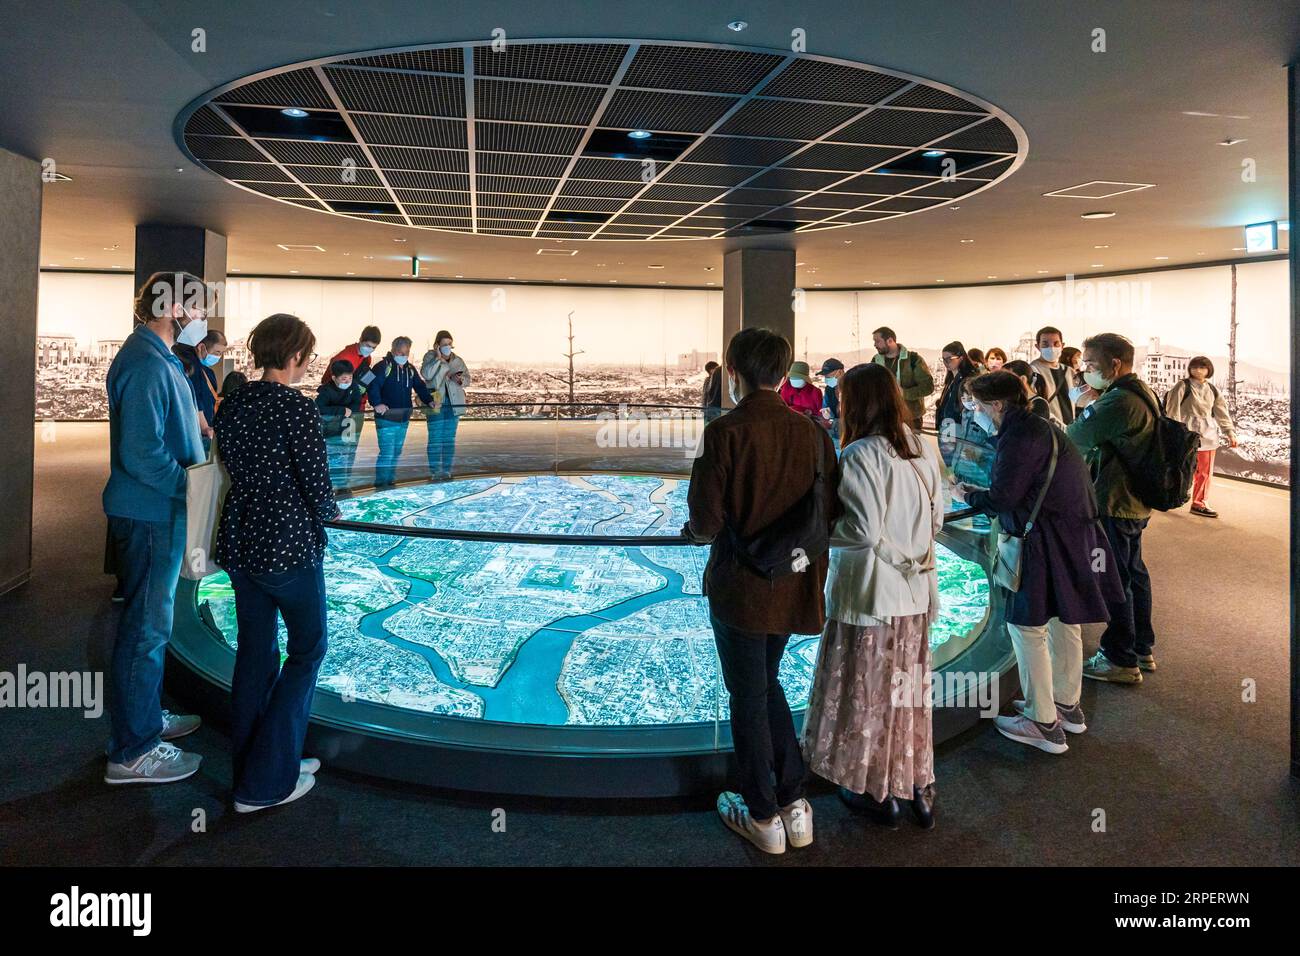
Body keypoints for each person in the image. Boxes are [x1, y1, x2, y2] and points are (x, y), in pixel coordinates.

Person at [684, 327, 839, 855]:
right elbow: (830, 510)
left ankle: (763, 814)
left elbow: (705, 522)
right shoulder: (814, 433)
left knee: (748, 695)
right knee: (766, 684)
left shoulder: (723, 432)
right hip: (795, 585)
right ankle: (795, 802)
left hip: (741, 590)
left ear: (733, 373)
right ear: (783, 372)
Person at [802, 362, 944, 829]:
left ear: (857, 402)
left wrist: (816, 533)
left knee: (867, 693)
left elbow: (861, 531)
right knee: (907, 695)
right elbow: (937, 520)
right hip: (915, 595)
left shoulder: (861, 452)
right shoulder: (920, 447)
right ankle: (915, 783)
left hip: (871, 597)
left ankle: (875, 790)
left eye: (843, 397)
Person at [956, 371, 1121, 754]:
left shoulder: (1018, 436)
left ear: (997, 405)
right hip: (1073, 535)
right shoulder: (1040, 428)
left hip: (1042, 542)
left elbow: (1004, 498)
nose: (974, 411)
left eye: (977, 404)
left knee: (1026, 626)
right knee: (1066, 620)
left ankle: (1041, 721)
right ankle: (1066, 705)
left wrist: (969, 496)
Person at [214, 313, 338, 812]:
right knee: (307, 652)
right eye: (307, 357)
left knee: (255, 654)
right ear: (294, 358)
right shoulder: (295, 408)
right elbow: (315, 482)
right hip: (285, 546)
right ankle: (265, 783)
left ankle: (263, 760)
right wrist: (331, 511)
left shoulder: (235, 402)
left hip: (240, 543)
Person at [102, 271, 208, 785]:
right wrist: (190, 488)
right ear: (173, 309)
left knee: (152, 626)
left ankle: (144, 720)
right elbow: (142, 453)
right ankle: (132, 752)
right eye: (198, 308)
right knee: (145, 630)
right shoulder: (146, 362)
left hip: (155, 512)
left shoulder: (159, 358)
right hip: (150, 513)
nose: (202, 319)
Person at [1067, 332, 1159, 682]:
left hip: (1114, 502)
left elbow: (1074, 437)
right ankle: (1140, 647)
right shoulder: (1142, 393)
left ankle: (1120, 658)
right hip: (1133, 501)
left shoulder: (1118, 402)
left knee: (1114, 578)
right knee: (1134, 574)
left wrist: (1085, 407)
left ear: (1114, 364)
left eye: (1090, 364)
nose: (1086, 370)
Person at [1164, 356, 1237, 518]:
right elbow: (1172, 410)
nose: (1198, 370)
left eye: (1202, 367)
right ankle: (1167, 497)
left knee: (1204, 472)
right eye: (1195, 367)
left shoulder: (1212, 389)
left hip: (1208, 436)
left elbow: (1221, 412)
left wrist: (1230, 432)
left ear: (1208, 370)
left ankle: (1199, 503)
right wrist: (1173, 433)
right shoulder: (1182, 386)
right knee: (1179, 468)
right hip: (1186, 436)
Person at [368, 336, 435, 488]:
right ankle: (381, 485)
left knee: (396, 452)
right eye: (400, 352)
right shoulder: (382, 366)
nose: (403, 356)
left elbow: (419, 386)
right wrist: (377, 403)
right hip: (386, 419)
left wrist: (429, 400)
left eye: (406, 353)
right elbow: (373, 386)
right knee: (387, 452)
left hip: (404, 418)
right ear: (393, 351)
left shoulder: (410, 369)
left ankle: (389, 482)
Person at [323, 324, 381, 462]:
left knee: (350, 447)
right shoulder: (345, 357)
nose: (370, 350)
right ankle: (335, 479)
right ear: (360, 339)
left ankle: (346, 478)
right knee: (336, 448)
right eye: (368, 345)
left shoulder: (365, 358)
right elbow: (328, 383)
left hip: (356, 409)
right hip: (341, 411)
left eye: (374, 347)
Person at [421, 330, 471, 480]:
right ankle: (435, 472)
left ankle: (447, 470)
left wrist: (460, 380)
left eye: (450, 344)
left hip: (453, 404)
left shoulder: (458, 360)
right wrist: (438, 359)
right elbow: (427, 375)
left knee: (449, 439)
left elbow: (468, 379)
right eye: (444, 344)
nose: (448, 347)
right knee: (435, 439)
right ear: (437, 345)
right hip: (435, 402)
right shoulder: (430, 357)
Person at [870, 326, 934, 430]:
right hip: (884, 418)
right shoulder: (875, 361)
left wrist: (904, 393)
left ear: (890, 340)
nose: (875, 345)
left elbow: (928, 387)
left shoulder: (913, 359)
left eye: (877, 341)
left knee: (911, 446)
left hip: (911, 419)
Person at [175, 328, 226, 450]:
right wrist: (205, 428)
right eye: (217, 352)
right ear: (201, 347)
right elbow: (195, 400)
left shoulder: (205, 370)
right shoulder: (191, 365)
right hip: (199, 433)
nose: (219, 357)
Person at [315, 358, 365, 482]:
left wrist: (350, 411)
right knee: (330, 456)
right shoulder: (326, 391)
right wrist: (341, 411)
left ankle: (343, 481)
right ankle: (328, 481)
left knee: (346, 454)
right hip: (329, 429)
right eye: (344, 379)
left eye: (350, 377)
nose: (347, 381)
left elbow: (357, 401)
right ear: (334, 378)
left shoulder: (353, 386)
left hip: (347, 427)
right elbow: (319, 408)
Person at [934, 341, 978, 459]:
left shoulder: (968, 381)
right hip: (948, 426)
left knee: (953, 463)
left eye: (949, 359)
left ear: (961, 358)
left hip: (956, 428)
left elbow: (971, 409)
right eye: (943, 359)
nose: (945, 362)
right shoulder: (951, 378)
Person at [1029, 326, 1079, 426]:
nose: (1051, 347)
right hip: (1047, 430)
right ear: (1037, 346)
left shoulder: (1069, 371)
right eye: (1045, 344)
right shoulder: (1033, 371)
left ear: (1062, 345)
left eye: (1056, 343)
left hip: (1071, 429)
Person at [779, 360, 829, 430]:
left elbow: (821, 414)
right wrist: (802, 411)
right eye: (793, 377)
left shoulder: (815, 392)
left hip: (811, 427)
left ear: (805, 378)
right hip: (790, 425)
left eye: (798, 378)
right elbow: (782, 409)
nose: (794, 380)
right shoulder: (786, 388)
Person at [818, 358, 844, 441]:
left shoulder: (853, 389)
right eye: (825, 376)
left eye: (828, 375)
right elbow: (826, 409)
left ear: (840, 372)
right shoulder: (829, 389)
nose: (826, 378)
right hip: (835, 434)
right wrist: (827, 417)